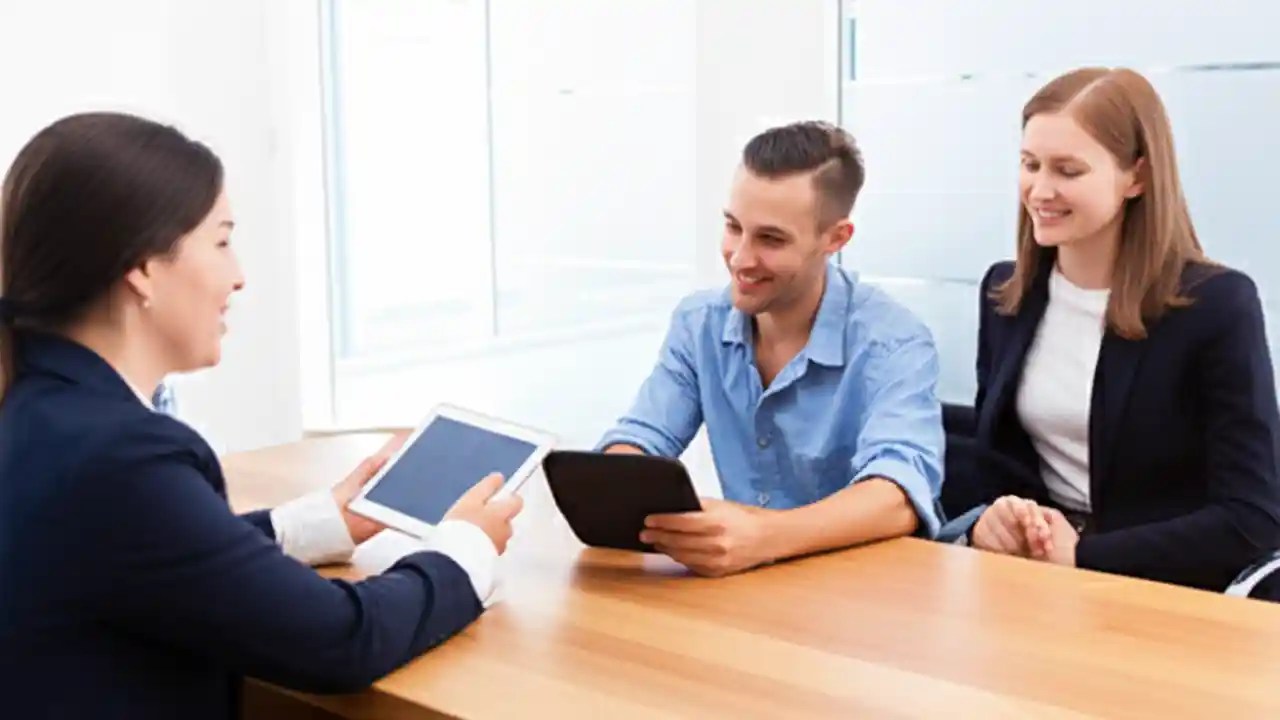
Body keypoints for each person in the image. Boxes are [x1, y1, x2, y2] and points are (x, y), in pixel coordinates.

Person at [0, 112, 523, 719]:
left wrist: (320, 523)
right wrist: (464, 549)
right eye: (222, 242)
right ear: (143, 268)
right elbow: (341, 640)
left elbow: (148, 555)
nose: (240, 276)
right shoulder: (119, 456)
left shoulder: (42, 412)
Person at [963, 67, 1280, 591]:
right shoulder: (1006, 294)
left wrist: (1084, 555)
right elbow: (998, 464)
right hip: (1038, 581)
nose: (1040, 190)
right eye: (1030, 164)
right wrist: (994, 518)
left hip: (1166, 588)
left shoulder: (1218, 305)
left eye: (1068, 170)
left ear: (1137, 177)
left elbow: (1253, 518)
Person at [597, 122, 944, 577]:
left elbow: (899, 495)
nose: (740, 258)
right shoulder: (699, 323)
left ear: (836, 238)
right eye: (733, 227)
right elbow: (640, 437)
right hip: (742, 586)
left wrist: (764, 538)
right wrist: (616, 486)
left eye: (770, 239)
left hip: (860, 592)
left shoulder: (894, 341)